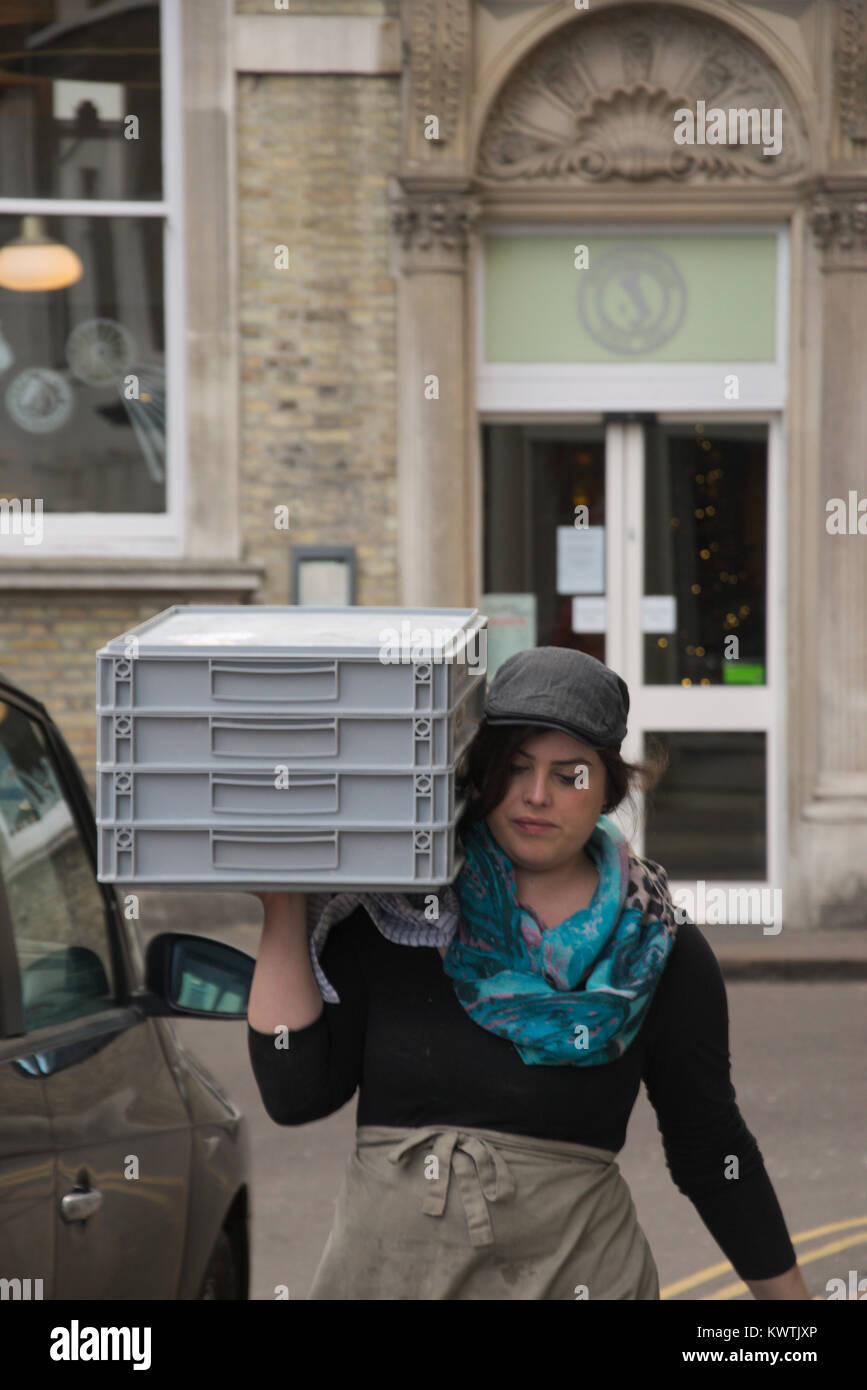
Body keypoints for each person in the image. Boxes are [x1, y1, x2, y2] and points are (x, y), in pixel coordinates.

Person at [246, 646, 811, 1300]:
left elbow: (711, 1152)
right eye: (515, 768)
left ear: (608, 791)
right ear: (481, 775)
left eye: (568, 774)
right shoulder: (396, 915)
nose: (536, 796)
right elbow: (295, 1095)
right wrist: (283, 908)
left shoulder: (661, 953)